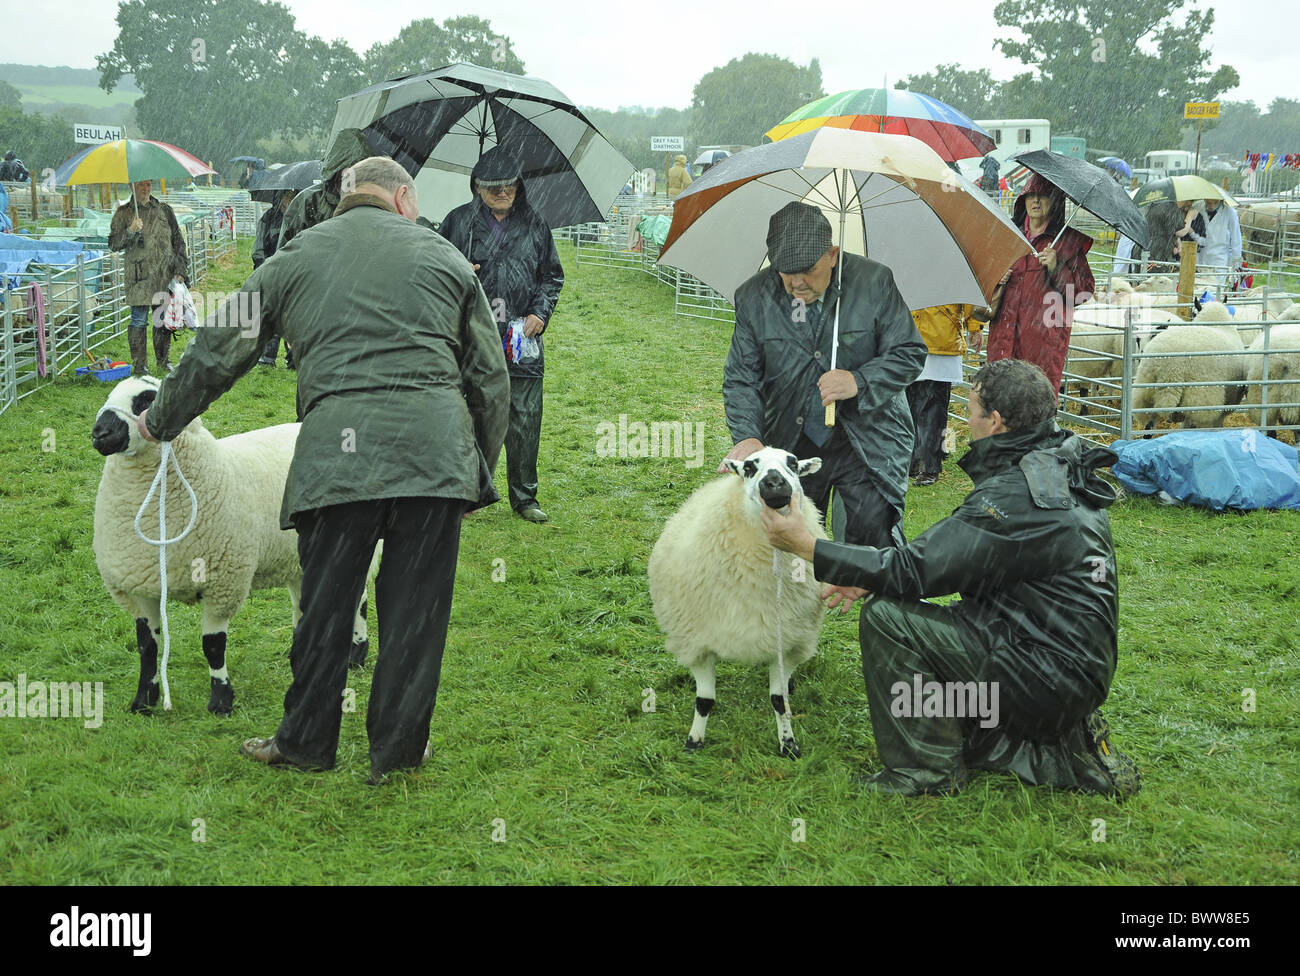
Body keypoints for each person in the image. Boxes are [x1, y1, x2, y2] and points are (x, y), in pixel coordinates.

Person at [136, 156, 510, 783]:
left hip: (337, 457)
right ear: (404, 199)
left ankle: (306, 741)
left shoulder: (294, 257)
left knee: (325, 604)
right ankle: (397, 752)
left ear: (344, 198)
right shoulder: (445, 258)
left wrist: (159, 421)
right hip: (434, 457)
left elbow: (217, 348)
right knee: (415, 612)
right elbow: (491, 379)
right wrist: (476, 471)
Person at [758, 358, 1140, 798]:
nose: (964, 417)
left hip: (1048, 676)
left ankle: (925, 771)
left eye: (971, 408)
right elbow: (944, 559)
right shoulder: (1052, 465)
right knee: (908, 606)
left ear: (995, 422)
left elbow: (914, 570)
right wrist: (873, 571)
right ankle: (1036, 744)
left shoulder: (1017, 495)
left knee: (889, 618)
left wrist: (808, 546)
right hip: (1061, 664)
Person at [722, 201, 927, 548]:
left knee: (871, 543)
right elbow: (742, 377)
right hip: (791, 441)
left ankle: (873, 600)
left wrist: (859, 381)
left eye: (808, 270)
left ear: (832, 254)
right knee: (787, 542)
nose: (797, 283)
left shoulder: (874, 282)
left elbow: (909, 352)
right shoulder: (754, 297)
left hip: (867, 440)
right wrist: (747, 436)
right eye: (786, 272)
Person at [438, 147, 565, 524]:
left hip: (521, 338)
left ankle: (525, 498)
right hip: (473, 334)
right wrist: (462, 269)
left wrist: (539, 313)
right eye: (493, 188)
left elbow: (552, 276)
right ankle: (468, 492)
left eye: (509, 186)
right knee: (469, 411)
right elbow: (436, 272)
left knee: (525, 417)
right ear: (477, 187)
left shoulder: (535, 225)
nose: (502, 193)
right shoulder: (458, 223)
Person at [987, 173, 1095, 394]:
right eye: (1030, 195)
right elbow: (985, 277)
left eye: (1042, 196)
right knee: (999, 404)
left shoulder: (1067, 243)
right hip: (1003, 339)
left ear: (1054, 201)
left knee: (1035, 405)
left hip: (1043, 345)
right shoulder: (1008, 236)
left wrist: (1057, 268)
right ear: (1022, 201)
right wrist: (996, 279)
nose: (1035, 201)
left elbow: (1082, 293)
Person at [108, 179, 189, 377]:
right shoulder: (123, 213)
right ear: (131, 187)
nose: (146, 189)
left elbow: (177, 240)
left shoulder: (164, 210)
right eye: (141, 185)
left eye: (148, 185)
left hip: (164, 275)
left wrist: (180, 270)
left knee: (162, 320)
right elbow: (113, 244)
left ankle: (163, 361)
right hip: (139, 277)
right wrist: (130, 231)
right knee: (138, 321)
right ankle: (140, 367)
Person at [906, 303, 982, 486]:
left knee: (933, 410)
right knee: (909, 407)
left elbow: (968, 295)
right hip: (908, 339)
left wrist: (974, 326)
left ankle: (929, 465)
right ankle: (914, 461)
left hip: (940, 338)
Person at [278, 128, 376, 249]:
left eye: (360, 172)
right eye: (350, 170)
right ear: (337, 171)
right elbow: (286, 251)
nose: (353, 179)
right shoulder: (308, 201)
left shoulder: (374, 202)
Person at [253, 189, 296, 368]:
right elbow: (258, 248)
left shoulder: (301, 217)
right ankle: (267, 357)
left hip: (294, 273)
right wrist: (265, 268)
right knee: (271, 315)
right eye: (285, 196)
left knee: (294, 316)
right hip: (270, 272)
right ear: (279, 198)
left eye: (292, 196)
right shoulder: (268, 218)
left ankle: (293, 358)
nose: (288, 200)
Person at [1191, 196, 1241, 291]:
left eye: (1213, 203)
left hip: (1219, 259)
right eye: (1207, 202)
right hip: (1200, 256)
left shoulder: (1230, 212)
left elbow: (1236, 241)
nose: (1210, 205)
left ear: (1219, 200)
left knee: (1217, 291)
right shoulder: (1198, 207)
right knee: (1198, 290)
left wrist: (1235, 267)